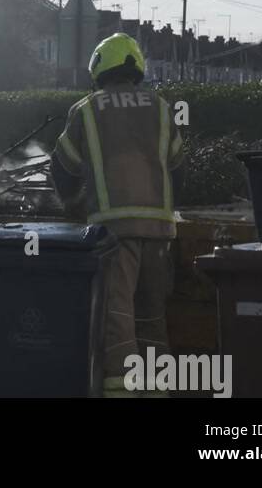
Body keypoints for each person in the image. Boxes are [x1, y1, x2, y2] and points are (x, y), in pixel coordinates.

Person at [50, 33, 185, 398]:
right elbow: (175, 160)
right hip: (160, 231)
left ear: (99, 68)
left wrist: (71, 204)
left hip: (114, 231)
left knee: (117, 322)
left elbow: (64, 167)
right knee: (152, 319)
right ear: (136, 67)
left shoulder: (86, 109)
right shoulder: (160, 106)